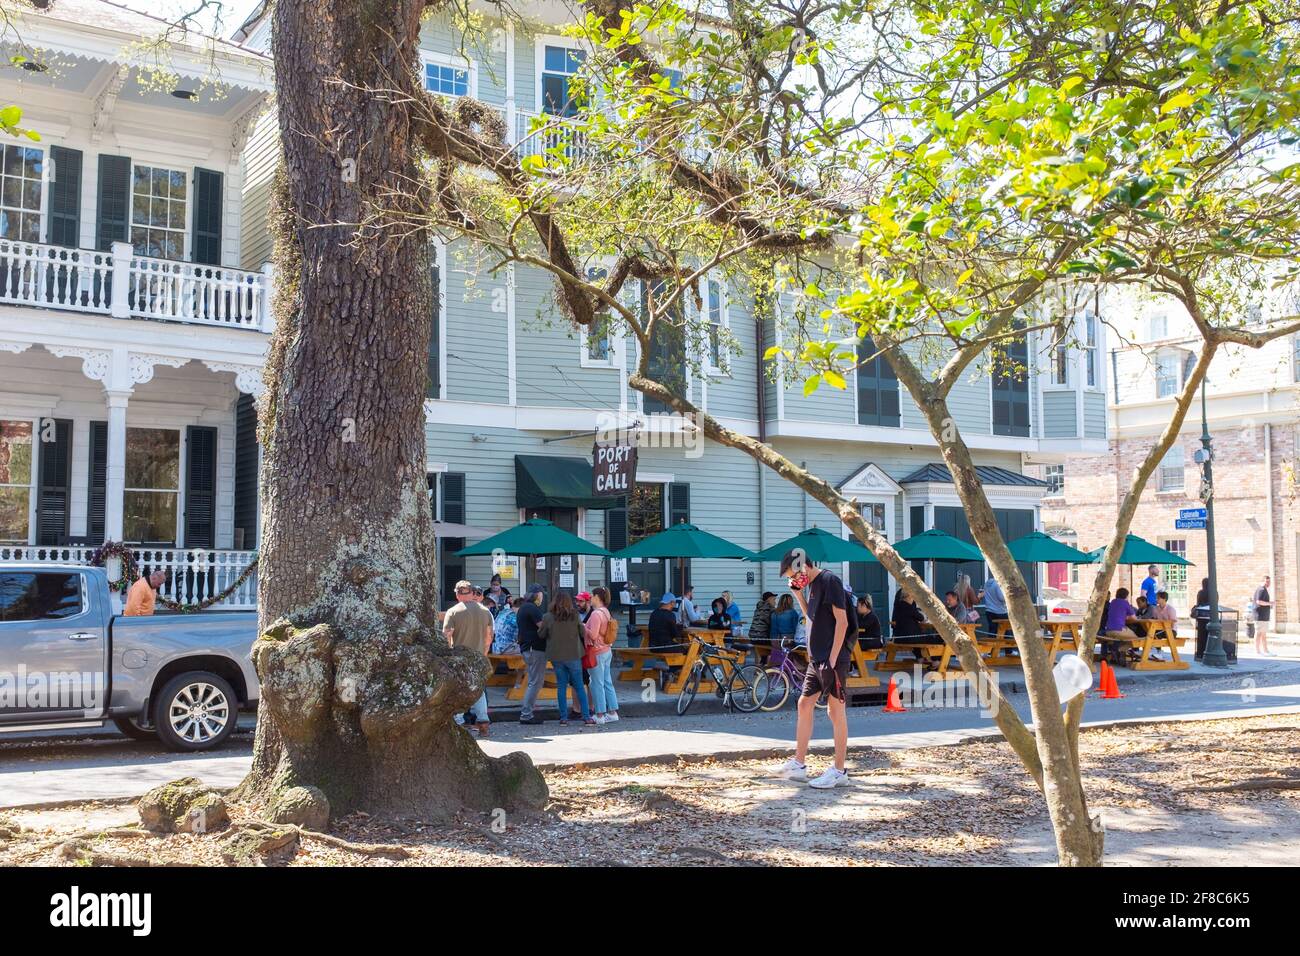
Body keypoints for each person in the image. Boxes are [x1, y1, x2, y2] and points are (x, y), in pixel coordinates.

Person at [775, 551, 855, 789]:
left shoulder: (830, 581)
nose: (794, 579)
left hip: (832, 658)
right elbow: (812, 616)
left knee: (835, 710)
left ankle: (839, 770)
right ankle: (799, 764)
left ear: (805, 567)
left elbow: (843, 622)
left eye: (794, 575)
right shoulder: (811, 586)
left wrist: (832, 658)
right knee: (804, 704)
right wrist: (798, 595)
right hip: (817, 658)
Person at [443, 580, 494, 738]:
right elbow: (489, 636)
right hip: (478, 656)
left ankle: (458, 721)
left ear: (457, 594)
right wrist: (484, 653)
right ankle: (484, 722)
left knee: (458, 689)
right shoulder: (485, 612)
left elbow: (447, 634)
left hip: (459, 657)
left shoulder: (453, 612)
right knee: (478, 690)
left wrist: (450, 650)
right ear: (472, 593)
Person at [538, 590, 593, 726]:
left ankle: (563, 718)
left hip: (556, 656)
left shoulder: (548, 617)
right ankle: (586, 717)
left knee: (561, 686)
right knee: (579, 686)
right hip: (574, 654)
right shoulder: (574, 616)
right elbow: (582, 631)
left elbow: (541, 634)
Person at [584, 587, 619, 724]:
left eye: (592, 596)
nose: (590, 599)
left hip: (596, 652)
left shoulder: (595, 614)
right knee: (607, 682)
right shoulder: (606, 612)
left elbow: (593, 635)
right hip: (606, 650)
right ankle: (613, 712)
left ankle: (599, 715)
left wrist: (583, 626)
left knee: (596, 683)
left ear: (597, 597)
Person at [516, 584, 548, 725]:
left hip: (527, 648)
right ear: (536, 594)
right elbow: (543, 627)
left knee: (533, 681)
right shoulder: (532, 608)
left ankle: (527, 713)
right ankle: (526, 714)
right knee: (535, 682)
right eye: (541, 594)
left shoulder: (524, 607)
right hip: (534, 649)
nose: (542, 597)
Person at [1254, 575, 1274, 657]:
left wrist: (1269, 604)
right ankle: (1258, 651)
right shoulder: (1261, 589)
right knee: (1258, 633)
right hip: (1260, 615)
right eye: (1266, 581)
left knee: (1263, 634)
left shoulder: (1264, 589)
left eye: (1269, 581)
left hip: (1264, 616)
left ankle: (1266, 650)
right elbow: (1258, 601)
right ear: (1262, 581)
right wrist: (1270, 603)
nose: (1268, 583)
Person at [1193, 577, 1210, 661]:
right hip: (1210, 616)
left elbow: (1198, 603)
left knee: (1201, 636)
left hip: (1201, 616)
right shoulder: (1214, 592)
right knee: (1208, 635)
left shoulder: (1200, 592)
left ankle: (1200, 652)